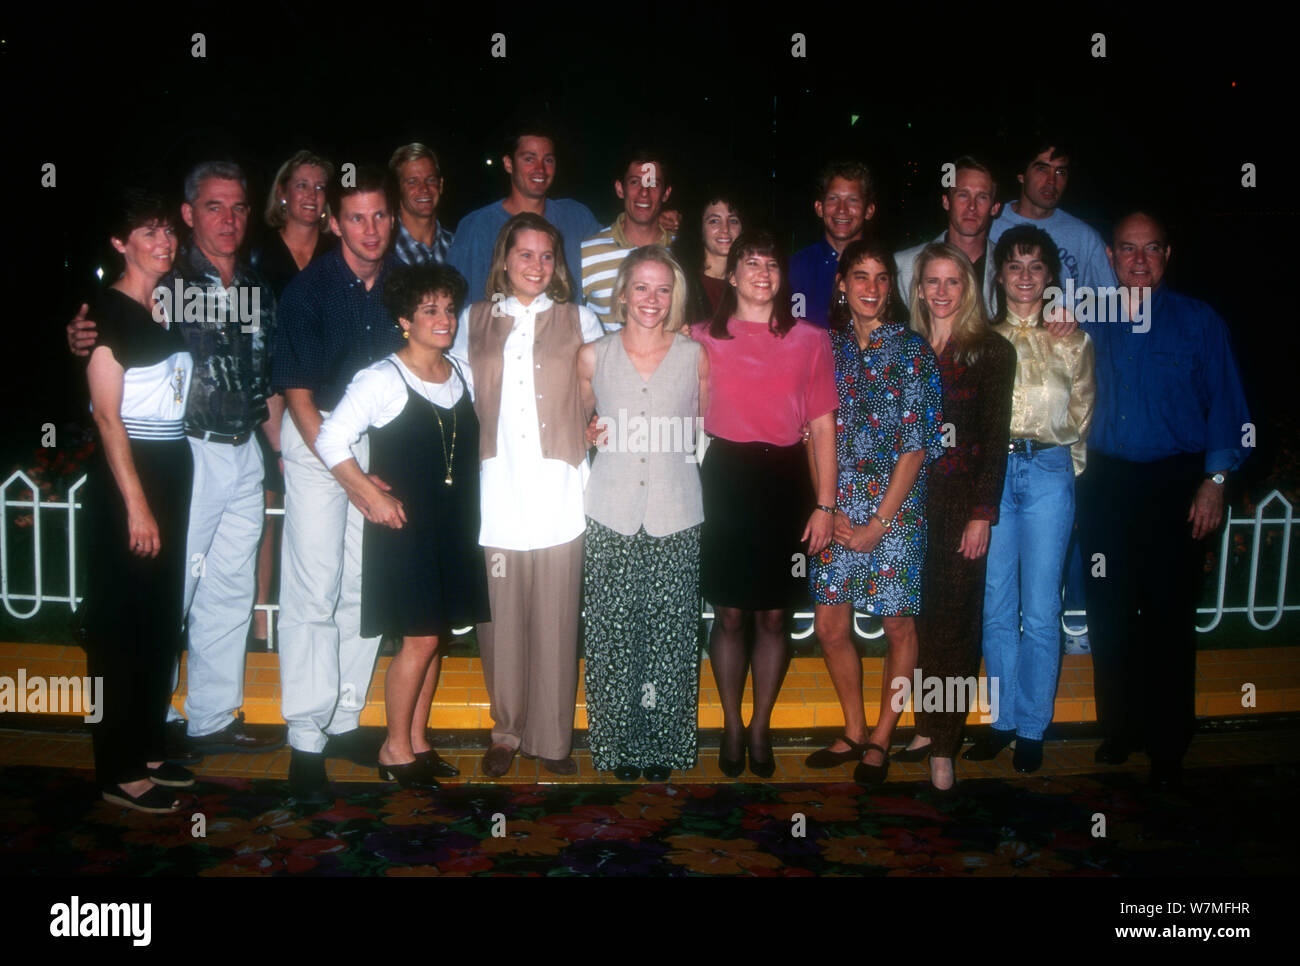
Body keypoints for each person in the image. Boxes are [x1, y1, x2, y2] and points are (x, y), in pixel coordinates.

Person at [68, 162, 284, 760]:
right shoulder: (165, 278)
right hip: (187, 450)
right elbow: (107, 336)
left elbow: (265, 376)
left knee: (231, 587)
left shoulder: (255, 287)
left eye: (239, 206)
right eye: (214, 206)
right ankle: (152, 718)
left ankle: (212, 716)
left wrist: (279, 452)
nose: (229, 219)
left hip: (244, 449)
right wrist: (79, 335)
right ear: (188, 214)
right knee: (173, 588)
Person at [1076, 211, 1250, 791]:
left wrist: (1215, 482)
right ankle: (1120, 728)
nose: (1139, 260)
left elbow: (1228, 405)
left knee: (1170, 616)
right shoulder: (1089, 319)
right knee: (1109, 610)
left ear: (1167, 255)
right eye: (1128, 249)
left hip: (1175, 485)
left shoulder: (1200, 322)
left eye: (1151, 249)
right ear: (1110, 255)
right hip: (1105, 484)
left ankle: (1168, 741)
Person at [315, 262, 487, 789]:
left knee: (434, 637)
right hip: (406, 529)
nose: (444, 319)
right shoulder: (381, 378)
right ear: (405, 321)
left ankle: (417, 741)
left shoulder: (462, 372)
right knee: (418, 639)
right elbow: (329, 439)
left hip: (453, 525)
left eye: (449, 309)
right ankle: (393, 749)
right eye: (429, 310)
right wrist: (368, 493)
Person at [272, 166, 409, 803]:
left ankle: (344, 719)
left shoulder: (401, 285)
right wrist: (346, 473)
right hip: (317, 439)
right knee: (313, 586)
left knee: (362, 584)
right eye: (356, 217)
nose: (370, 229)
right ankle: (306, 736)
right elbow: (298, 396)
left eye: (379, 215)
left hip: (377, 444)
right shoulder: (308, 291)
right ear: (334, 222)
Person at [454, 212, 606, 777]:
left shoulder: (580, 319)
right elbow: (451, 392)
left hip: (561, 488)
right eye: (525, 254)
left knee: (557, 617)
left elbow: (607, 387)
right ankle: (506, 732)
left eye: (546, 256)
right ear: (504, 258)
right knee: (499, 619)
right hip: (496, 488)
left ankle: (552, 739)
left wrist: (602, 426)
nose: (537, 266)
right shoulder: (472, 319)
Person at [689, 231, 838, 778]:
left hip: (786, 482)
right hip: (724, 480)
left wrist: (825, 505)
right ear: (731, 275)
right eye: (750, 263)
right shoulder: (699, 337)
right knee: (730, 613)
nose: (761, 272)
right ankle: (732, 724)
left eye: (771, 264)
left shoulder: (811, 339)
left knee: (775, 615)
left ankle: (760, 726)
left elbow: (823, 427)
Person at [805, 239, 944, 784]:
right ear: (842, 284)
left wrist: (878, 523)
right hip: (837, 507)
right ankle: (855, 729)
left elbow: (916, 446)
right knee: (829, 624)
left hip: (896, 512)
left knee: (897, 623)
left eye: (882, 277)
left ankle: (884, 735)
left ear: (892, 286)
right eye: (860, 276)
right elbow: (811, 433)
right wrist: (828, 505)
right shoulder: (825, 349)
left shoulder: (913, 351)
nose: (871, 287)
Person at [966, 225, 1095, 774]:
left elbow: (1083, 414)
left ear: (1049, 276)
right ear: (998, 275)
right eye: (1014, 265)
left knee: (1042, 608)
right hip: (994, 476)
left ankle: (1033, 726)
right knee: (996, 604)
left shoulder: (1072, 339)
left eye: (1035, 266)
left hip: (1047, 471)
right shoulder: (981, 339)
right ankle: (1003, 721)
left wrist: (1063, 475)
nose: (1024, 276)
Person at [578, 246, 709, 782]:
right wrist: (586, 433)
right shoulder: (593, 355)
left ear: (674, 296)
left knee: (671, 636)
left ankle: (664, 746)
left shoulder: (695, 355)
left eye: (663, 289)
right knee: (612, 634)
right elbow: (574, 423)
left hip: (677, 512)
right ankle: (617, 746)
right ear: (623, 293)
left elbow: (709, 426)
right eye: (641, 287)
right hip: (609, 511)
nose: (651, 299)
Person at [82, 189, 195, 813]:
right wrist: (137, 505)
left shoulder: (162, 306)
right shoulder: (106, 315)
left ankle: (148, 747)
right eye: (148, 232)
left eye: (167, 231)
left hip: (170, 466)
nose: (163, 242)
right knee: (120, 624)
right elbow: (107, 417)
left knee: (157, 617)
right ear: (120, 243)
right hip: (132, 475)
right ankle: (117, 768)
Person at [898, 243, 1016, 791]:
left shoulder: (990, 351)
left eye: (953, 281)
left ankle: (945, 745)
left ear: (968, 288)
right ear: (919, 288)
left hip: (959, 503)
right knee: (919, 623)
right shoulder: (906, 346)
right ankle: (927, 727)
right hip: (906, 502)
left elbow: (994, 440)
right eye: (933, 281)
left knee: (956, 625)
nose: (942, 291)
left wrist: (981, 514)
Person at [247, 150, 336, 650]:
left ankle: (313, 615)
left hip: (320, 394)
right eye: (302, 185)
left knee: (315, 511)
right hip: (265, 395)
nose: (311, 195)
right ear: (282, 192)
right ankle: (262, 618)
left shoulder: (335, 251)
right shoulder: (256, 252)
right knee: (267, 507)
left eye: (320, 187)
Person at [446, 124, 599, 304]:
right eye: (529, 159)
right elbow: (455, 299)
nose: (540, 169)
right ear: (508, 164)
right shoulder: (477, 226)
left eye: (548, 160)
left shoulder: (576, 218)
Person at [988, 136, 1116, 292]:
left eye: (1060, 172)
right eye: (1042, 169)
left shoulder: (1085, 238)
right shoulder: (989, 224)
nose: (1051, 181)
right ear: (1021, 175)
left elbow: (1116, 297)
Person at [896, 155, 1002, 316]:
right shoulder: (904, 266)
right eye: (963, 195)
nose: (972, 206)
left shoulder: (1009, 268)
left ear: (994, 208)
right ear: (946, 202)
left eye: (982, 197)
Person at [580, 152, 674, 320]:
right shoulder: (586, 253)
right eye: (635, 182)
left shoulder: (683, 251)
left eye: (653, 183)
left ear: (665, 193)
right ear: (620, 189)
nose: (644, 192)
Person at [788, 161, 877, 328]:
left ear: (868, 210)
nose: (841, 209)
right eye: (833, 198)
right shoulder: (793, 268)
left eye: (853, 200)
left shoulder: (883, 271)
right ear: (819, 208)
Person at [673, 191, 744, 324]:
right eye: (714, 221)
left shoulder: (749, 283)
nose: (725, 229)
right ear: (700, 229)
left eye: (733, 221)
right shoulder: (679, 281)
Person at [389, 143, 454, 265]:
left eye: (430, 180)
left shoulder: (456, 246)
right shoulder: (385, 249)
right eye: (413, 182)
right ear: (398, 189)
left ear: (440, 185)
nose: (424, 188)